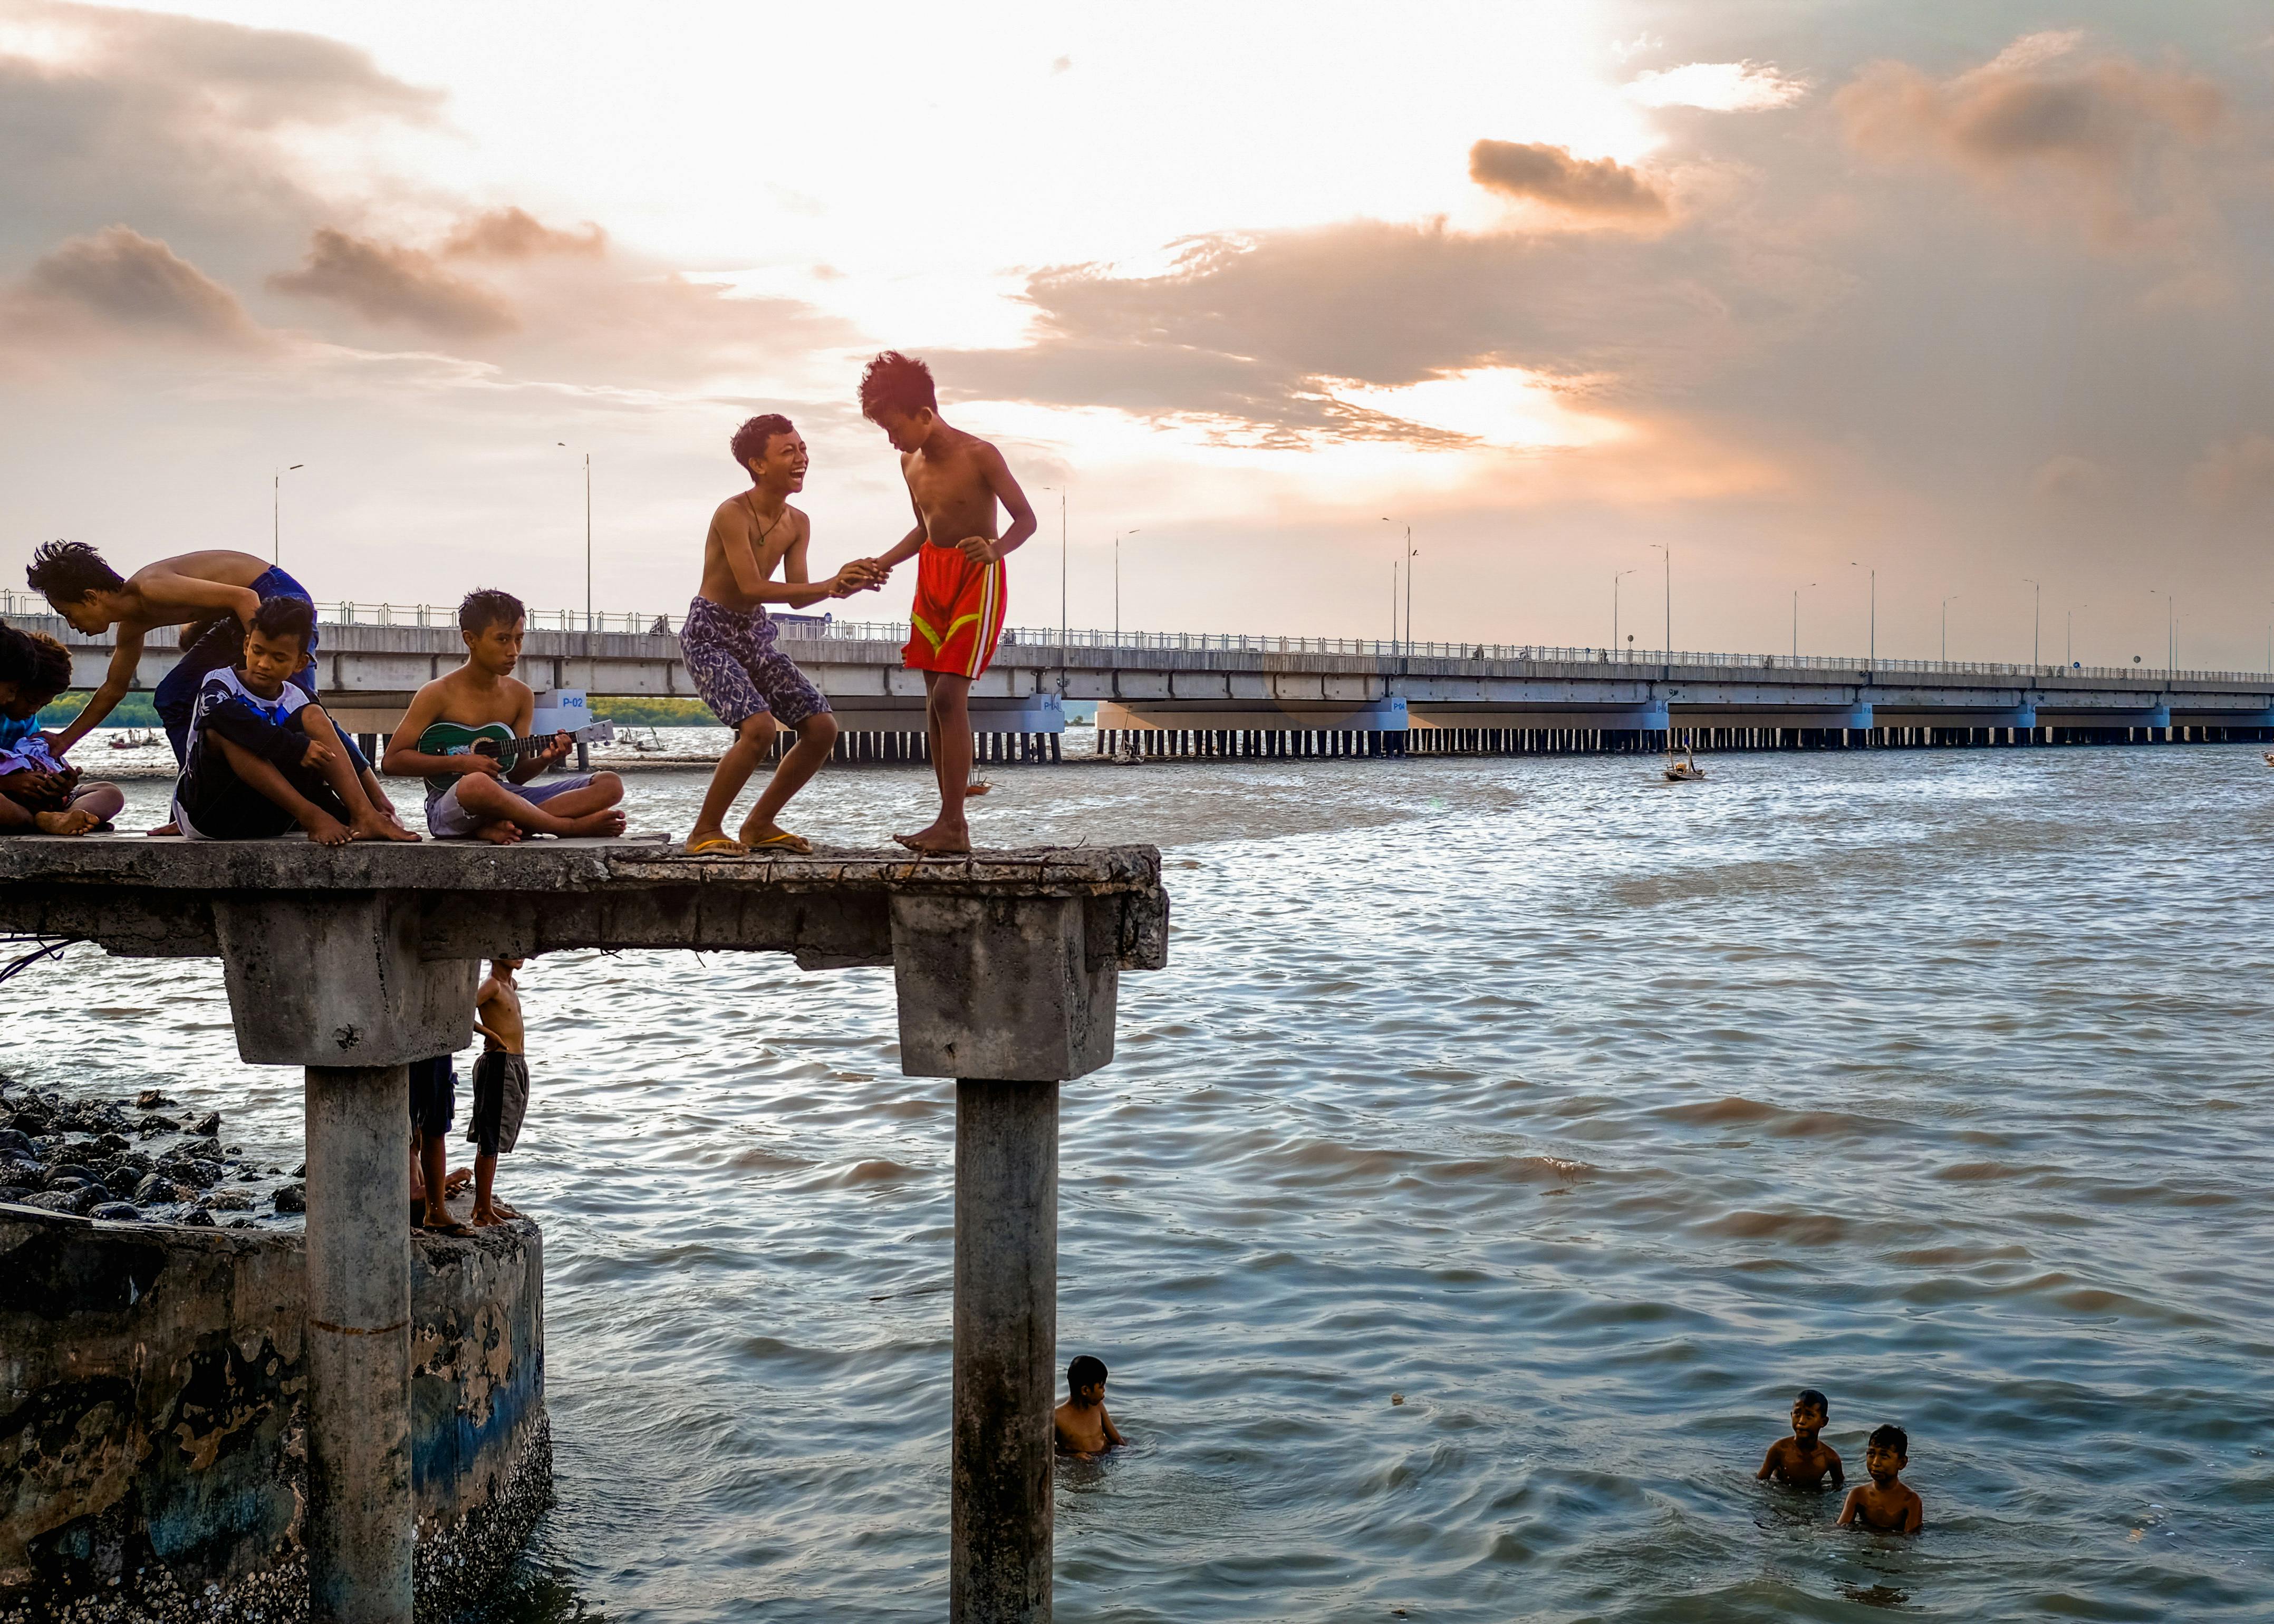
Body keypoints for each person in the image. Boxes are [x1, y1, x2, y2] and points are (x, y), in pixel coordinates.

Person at [857, 351, 1036, 855]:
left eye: (896, 429)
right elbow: (924, 527)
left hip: (977, 576)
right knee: (932, 703)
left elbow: (1026, 519)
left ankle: (954, 824)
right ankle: (948, 823)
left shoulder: (981, 454)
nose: (893, 441)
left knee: (947, 698)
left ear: (925, 415)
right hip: (931, 576)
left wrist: (996, 548)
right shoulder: (908, 462)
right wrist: (882, 562)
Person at [678, 414, 881, 856]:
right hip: (709, 633)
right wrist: (829, 583)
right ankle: (705, 831)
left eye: (802, 449)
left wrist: (844, 586)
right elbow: (751, 586)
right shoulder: (732, 513)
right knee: (758, 729)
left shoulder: (798, 522)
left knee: (822, 727)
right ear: (758, 464)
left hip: (753, 634)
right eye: (788, 452)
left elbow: (799, 596)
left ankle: (760, 824)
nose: (801, 459)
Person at [25, 540, 334, 764]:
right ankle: (198, 794)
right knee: (173, 697)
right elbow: (113, 689)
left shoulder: (151, 587)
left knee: (297, 703)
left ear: (91, 597)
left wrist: (257, 660)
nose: (72, 625)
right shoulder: (132, 625)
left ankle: (360, 799)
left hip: (276, 597)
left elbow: (245, 597)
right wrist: (66, 739)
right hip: (237, 615)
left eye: (68, 613)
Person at [382, 588, 627, 842]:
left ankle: (501, 825)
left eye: (519, 639)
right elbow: (392, 762)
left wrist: (546, 758)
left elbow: (518, 774)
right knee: (477, 784)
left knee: (609, 784)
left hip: (506, 795)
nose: (514, 651)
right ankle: (566, 827)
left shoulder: (521, 695)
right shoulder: (437, 693)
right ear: (471, 639)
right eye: (502, 639)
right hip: (451, 803)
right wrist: (460, 763)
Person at [170, 598, 416, 844]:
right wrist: (296, 747)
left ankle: (364, 816)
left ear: (300, 663)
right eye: (258, 651)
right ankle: (312, 816)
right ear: (246, 645)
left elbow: (340, 745)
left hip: (273, 818)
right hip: (211, 816)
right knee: (223, 730)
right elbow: (217, 714)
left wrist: (379, 805)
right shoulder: (220, 682)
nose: (264, 664)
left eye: (278, 658)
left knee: (314, 716)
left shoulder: (297, 699)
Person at [0, 627, 124, 836]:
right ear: (15, 684)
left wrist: (58, 784)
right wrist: (8, 784)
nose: (33, 711)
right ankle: (39, 822)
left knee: (110, 793)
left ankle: (67, 818)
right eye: (31, 701)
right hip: (7, 797)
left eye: (42, 706)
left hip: (35, 801)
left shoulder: (28, 723)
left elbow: (35, 761)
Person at [464, 956, 529, 1227]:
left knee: (499, 1136)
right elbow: (463, 1011)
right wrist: (489, 1034)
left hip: (514, 1063)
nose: (520, 954)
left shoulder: (511, 983)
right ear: (493, 953)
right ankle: (481, 1210)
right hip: (498, 1064)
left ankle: (486, 1204)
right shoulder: (491, 985)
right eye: (511, 949)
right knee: (489, 1139)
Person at [408, 1056, 469, 1236]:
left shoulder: (416, 1156)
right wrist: (452, 1178)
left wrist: (441, 1188)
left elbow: (419, 1190)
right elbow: (412, 1196)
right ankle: (436, 1213)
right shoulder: (409, 1154)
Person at [1837, 1424, 1924, 1533]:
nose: (1876, 1463)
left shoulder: (1911, 1501)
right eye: (1871, 1454)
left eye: (1884, 1456)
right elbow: (1841, 1528)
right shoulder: (1858, 1495)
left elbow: (1911, 1538)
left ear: (1902, 1463)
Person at [1757, 1387, 1843, 1491]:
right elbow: (1761, 1483)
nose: (1801, 1421)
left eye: (1809, 1415)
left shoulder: (1830, 1458)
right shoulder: (1779, 1450)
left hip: (1813, 1499)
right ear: (1791, 1416)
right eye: (1797, 1414)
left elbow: (1839, 1487)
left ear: (1823, 1422)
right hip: (1782, 1494)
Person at [1053, 1354, 1124, 1458]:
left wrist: (1127, 1453)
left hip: (1106, 1457)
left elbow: (1117, 1440)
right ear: (1085, 1390)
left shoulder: (1098, 1407)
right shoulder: (1058, 1418)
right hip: (1081, 1464)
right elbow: (1048, 1450)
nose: (1104, 1390)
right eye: (1101, 1386)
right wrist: (1074, 1456)